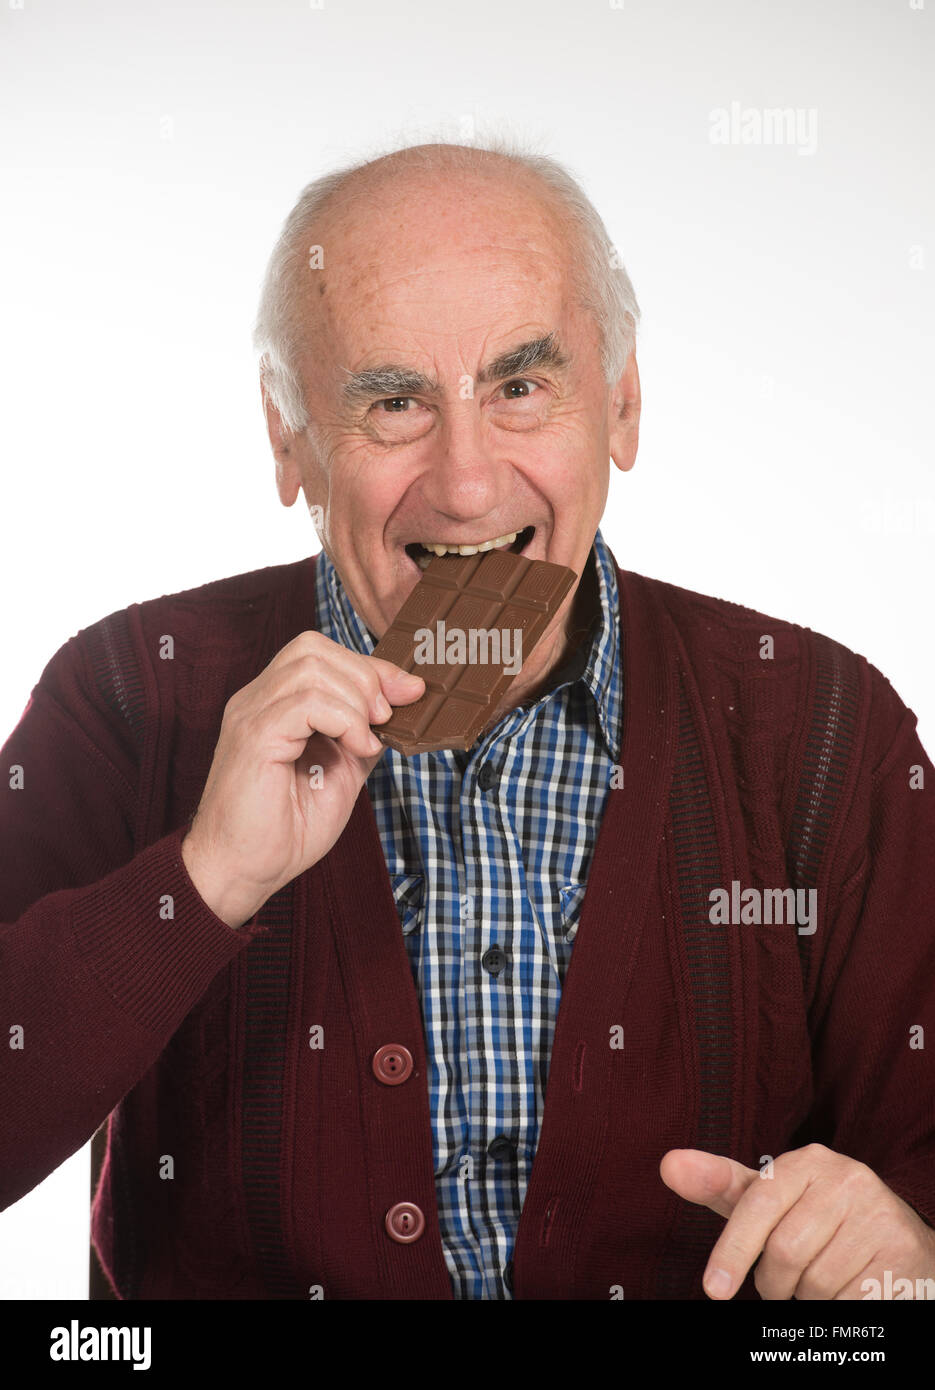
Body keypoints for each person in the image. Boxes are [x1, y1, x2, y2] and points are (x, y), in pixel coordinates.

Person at [2, 137, 933, 1301]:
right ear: (287, 438)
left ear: (623, 404)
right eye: (392, 402)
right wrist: (202, 882)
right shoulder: (131, 694)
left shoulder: (822, 730)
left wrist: (906, 1260)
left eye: (520, 387)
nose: (467, 484)